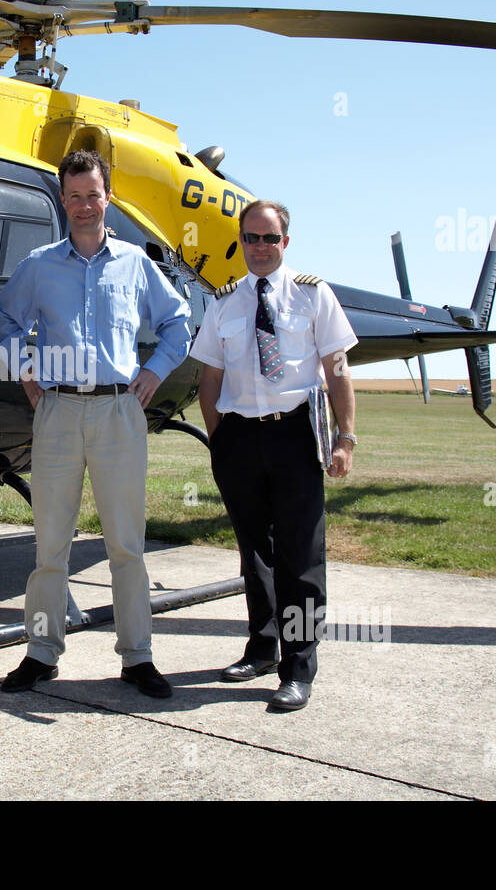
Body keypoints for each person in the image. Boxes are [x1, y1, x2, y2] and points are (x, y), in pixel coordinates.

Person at [0, 149, 191, 698]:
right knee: (49, 543)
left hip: (118, 411)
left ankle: (137, 656)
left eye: (93, 194)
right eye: (74, 195)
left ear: (109, 197)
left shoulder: (135, 263)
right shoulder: (38, 265)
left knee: (125, 543)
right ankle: (40, 652)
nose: (84, 205)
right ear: (64, 199)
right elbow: (6, 318)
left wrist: (153, 371)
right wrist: (26, 372)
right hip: (56, 412)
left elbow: (178, 322)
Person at [190, 199, 357, 712]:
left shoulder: (313, 295)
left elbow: (338, 371)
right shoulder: (223, 301)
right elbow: (210, 378)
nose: (259, 247)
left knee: (300, 555)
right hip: (239, 437)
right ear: (240, 242)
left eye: (269, 238)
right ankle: (262, 647)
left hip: (295, 437)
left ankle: (298, 666)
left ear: (286, 242)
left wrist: (344, 439)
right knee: (253, 552)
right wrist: (220, 440)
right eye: (250, 238)